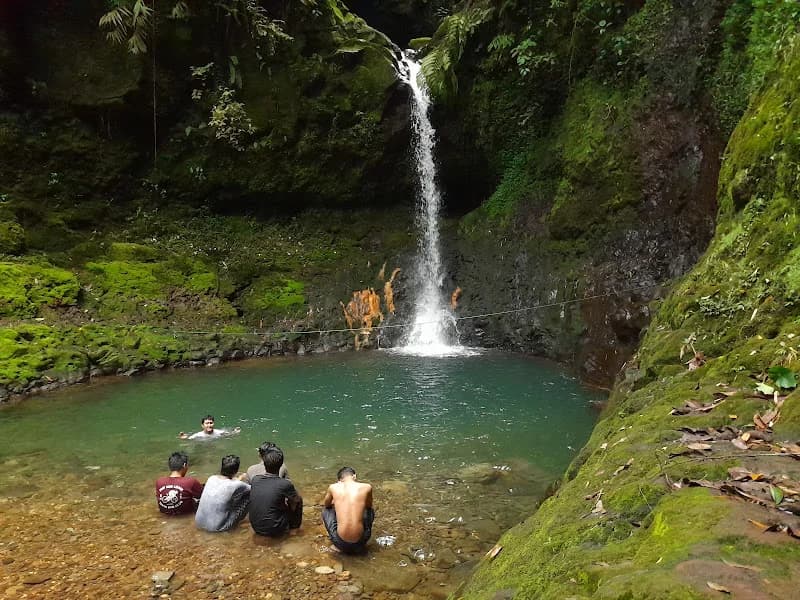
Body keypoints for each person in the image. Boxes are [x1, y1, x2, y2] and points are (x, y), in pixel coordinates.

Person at [249, 446, 303, 537]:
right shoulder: (284, 484)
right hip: (274, 529)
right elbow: (295, 501)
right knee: (298, 499)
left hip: (256, 527)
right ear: (281, 464)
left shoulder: (255, 479)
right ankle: (294, 529)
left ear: (264, 464)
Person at [322, 466, 374, 554]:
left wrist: (337, 503)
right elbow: (369, 506)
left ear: (339, 480)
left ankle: (337, 544)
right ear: (354, 476)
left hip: (340, 543)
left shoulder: (333, 487)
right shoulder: (367, 487)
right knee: (369, 510)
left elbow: (326, 504)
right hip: (360, 542)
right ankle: (359, 544)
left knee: (327, 510)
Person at [195, 455, 251, 532]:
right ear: (236, 471)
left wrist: (239, 479)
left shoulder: (211, 478)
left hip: (199, 524)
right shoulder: (236, 485)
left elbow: (228, 485)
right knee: (249, 495)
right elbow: (254, 489)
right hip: (218, 529)